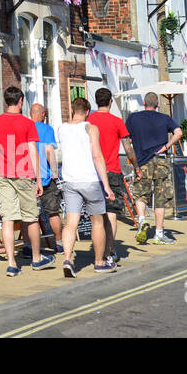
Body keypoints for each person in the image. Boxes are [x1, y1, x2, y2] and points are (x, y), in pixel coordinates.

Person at [0, 86, 53, 276]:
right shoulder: (27, 123)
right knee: (31, 217)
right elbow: (33, 151)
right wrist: (39, 179)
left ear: (6, 101)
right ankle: (37, 258)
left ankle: (11, 263)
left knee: (7, 219)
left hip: (4, 175)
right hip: (24, 173)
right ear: (21, 101)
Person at [57, 98, 117, 276]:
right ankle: (99, 262)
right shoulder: (90, 128)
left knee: (70, 223)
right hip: (90, 179)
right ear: (88, 111)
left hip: (69, 180)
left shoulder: (62, 129)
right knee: (97, 222)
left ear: (72, 110)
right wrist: (106, 185)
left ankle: (68, 259)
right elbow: (97, 156)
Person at [87, 87, 137, 266]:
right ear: (109, 102)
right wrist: (136, 167)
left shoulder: (88, 120)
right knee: (112, 213)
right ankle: (110, 251)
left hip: (92, 171)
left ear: (96, 102)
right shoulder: (117, 122)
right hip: (112, 170)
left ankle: (98, 249)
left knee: (96, 215)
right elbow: (128, 148)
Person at [127, 92, 181, 245]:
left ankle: (142, 220)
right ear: (157, 104)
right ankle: (158, 233)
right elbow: (179, 133)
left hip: (142, 161)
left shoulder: (133, 118)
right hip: (161, 161)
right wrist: (166, 146)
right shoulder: (164, 118)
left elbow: (127, 139)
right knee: (161, 197)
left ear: (144, 102)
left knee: (140, 193)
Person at [28, 103, 63, 256]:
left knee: (29, 214)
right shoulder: (47, 129)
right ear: (42, 114)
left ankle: (29, 246)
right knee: (53, 212)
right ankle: (59, 243)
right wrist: (55, 172)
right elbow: (49, 151)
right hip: (46, 177)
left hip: (29, 177)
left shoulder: (25, 128)